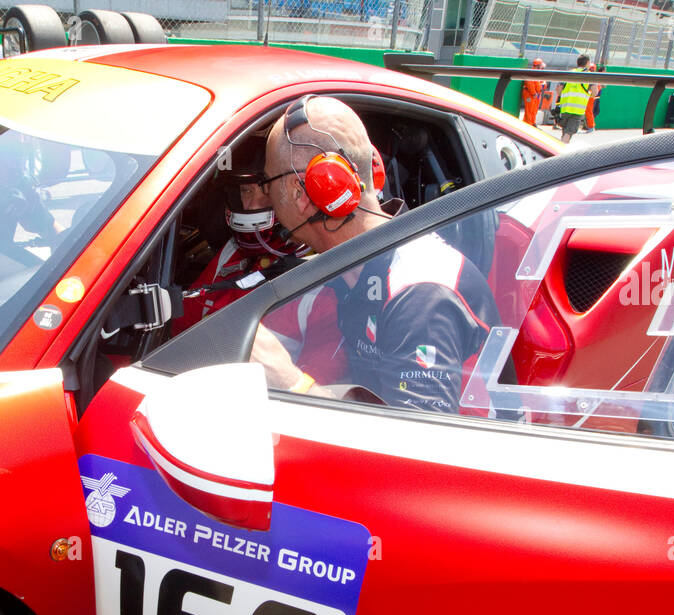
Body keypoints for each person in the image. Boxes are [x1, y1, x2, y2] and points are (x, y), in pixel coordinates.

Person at [250, 97, 499, 412]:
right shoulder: (355, 267)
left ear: (301, 194)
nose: (266, 196)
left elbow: (417, 448)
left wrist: (290, 383)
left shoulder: (419, 294)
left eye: (267, 183)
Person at [557, 54, 593, 144]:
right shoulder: (589, 75)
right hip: (577, 109)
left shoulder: (569, 73)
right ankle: (560, 151)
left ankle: (561, 146)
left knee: (565, 131)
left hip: (565, 107)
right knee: (569, 132)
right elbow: (595, 92)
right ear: (588, 63)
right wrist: (588, 95)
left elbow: (558, 89)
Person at [522, 59, 547, 127]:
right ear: (538, 66)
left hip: (536, 95)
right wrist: (533, 93)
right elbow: (529, 84)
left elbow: (543, 85)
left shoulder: (538, 74)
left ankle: (532, 123)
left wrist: (543, 85)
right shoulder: (531, 73)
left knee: (534, 110)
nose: (542, 69)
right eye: (541, 67)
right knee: (529, 111)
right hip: (530, 94)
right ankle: (528, 125)